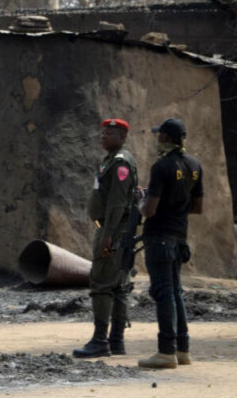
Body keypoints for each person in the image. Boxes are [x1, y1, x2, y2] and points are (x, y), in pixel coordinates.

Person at [138, 118, 203, 369]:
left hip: (159, 238)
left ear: (165, 138)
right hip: (179, 238)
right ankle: (182, 349)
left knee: (163, 293)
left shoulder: (161, 167)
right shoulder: (194, 165)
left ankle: (166, 352)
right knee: (175, 292)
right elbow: (198, 207)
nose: (157, 140)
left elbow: (150, 210)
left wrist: (141, 202)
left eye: (159, 136)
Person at [73, 118, 138, 358]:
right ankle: (116, 342)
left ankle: (101, 340)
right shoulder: (111, 161)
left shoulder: (120, 163)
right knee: (118, 287)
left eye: (109, 134)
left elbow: (117, 202)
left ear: (122, 137)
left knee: (101, 284)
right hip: (115, 229)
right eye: (102, 133)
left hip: (114, 230)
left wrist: (107, 234)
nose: (103, 137)